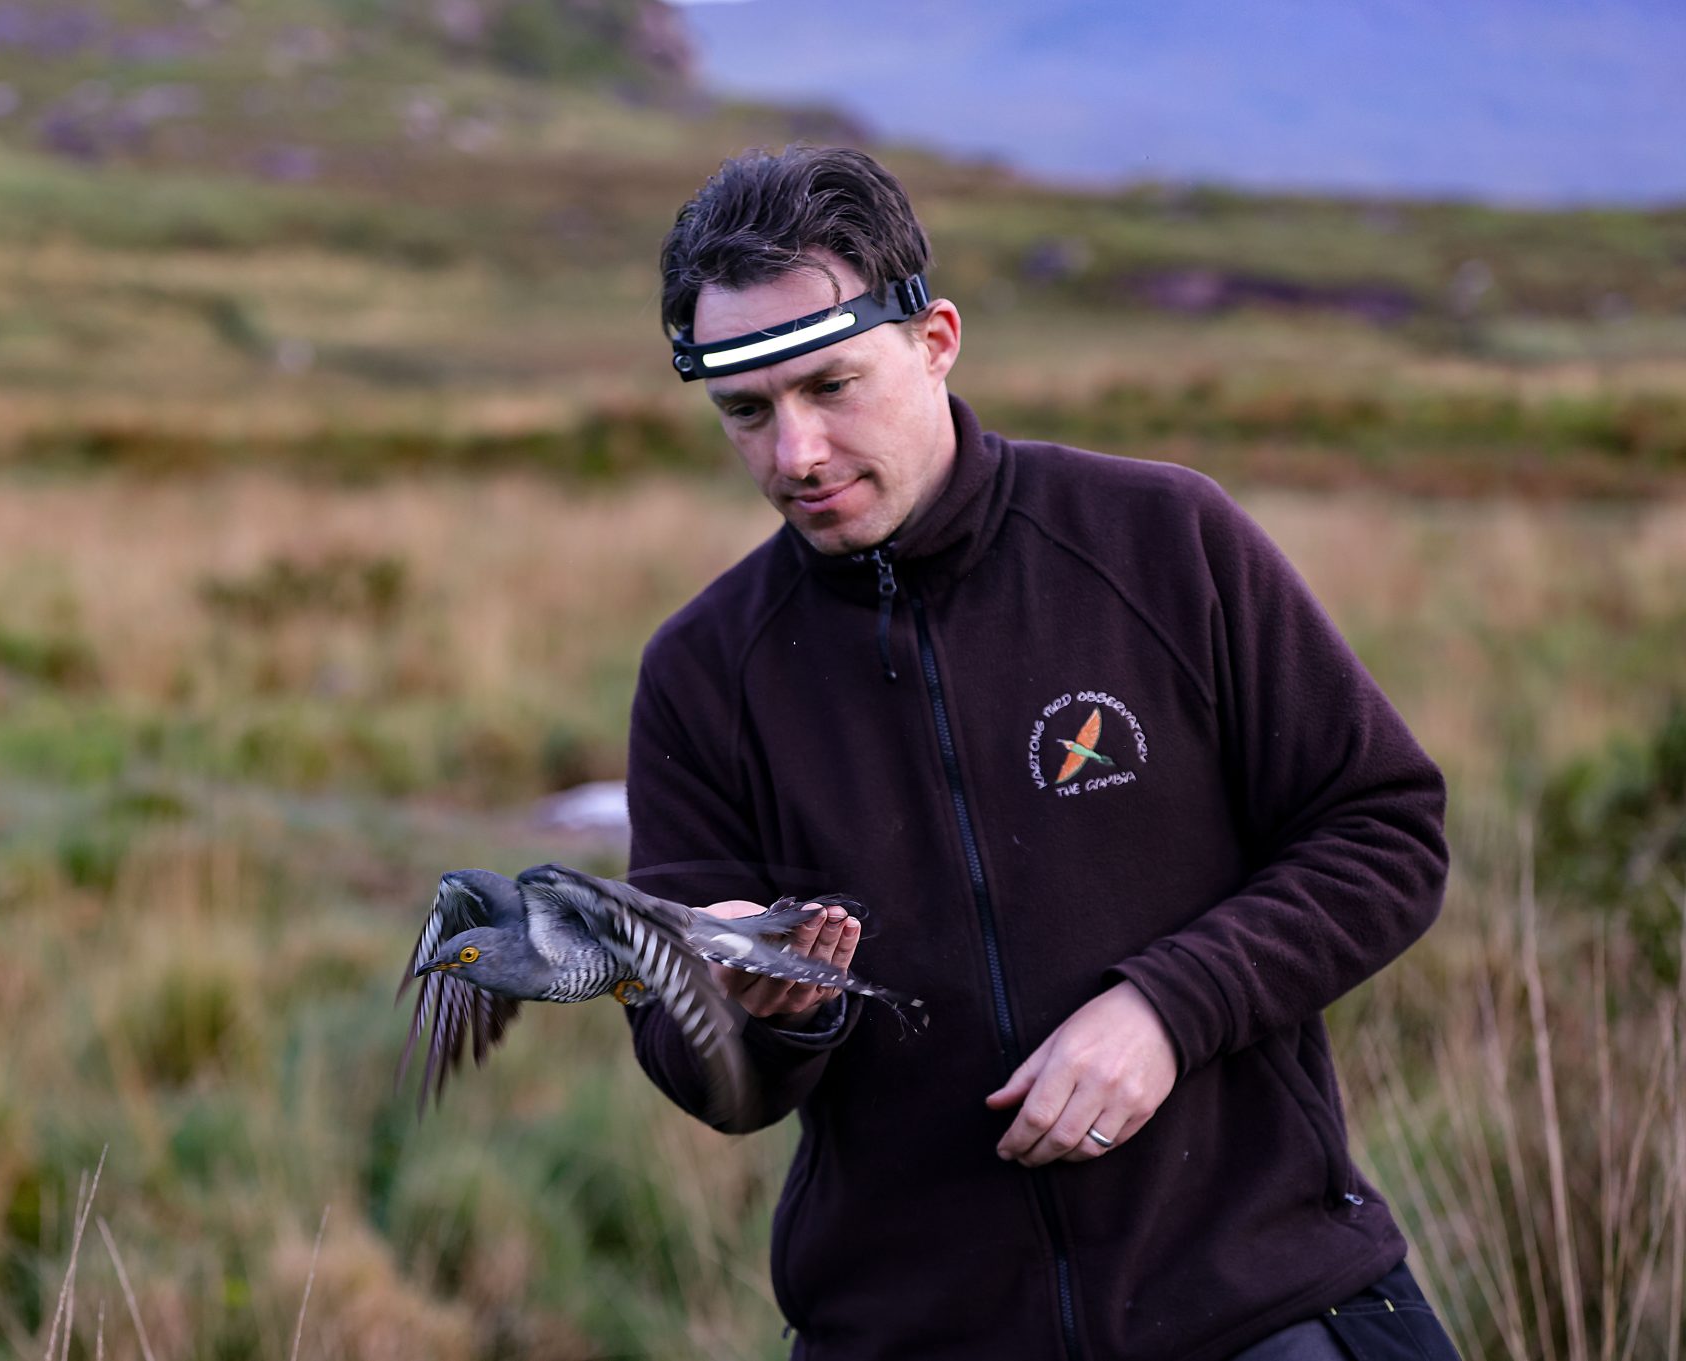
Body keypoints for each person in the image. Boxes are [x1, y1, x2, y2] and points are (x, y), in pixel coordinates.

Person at [621, 146, 1459, 1361]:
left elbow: (1382, 827)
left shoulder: (1162, 540)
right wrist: (760, 1010)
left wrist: (1168, 1007)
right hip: (909, 1332)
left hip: (1261, 1301)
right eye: (745, 411)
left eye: (831, 386)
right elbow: (701, 1073)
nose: (792, 453)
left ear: (936, 338)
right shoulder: (703, 672)